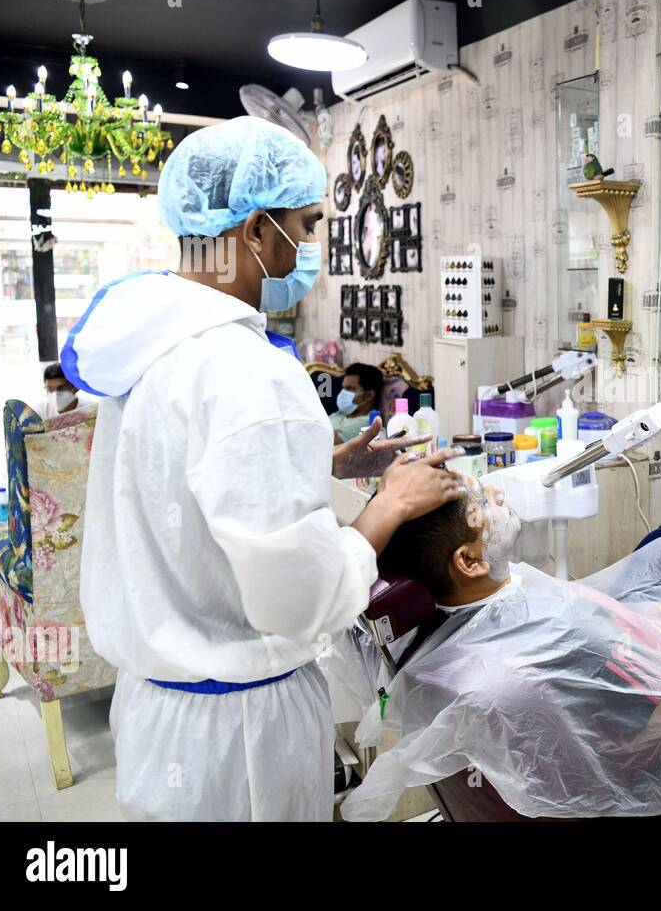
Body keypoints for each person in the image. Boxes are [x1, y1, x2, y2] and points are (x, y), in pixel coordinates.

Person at [61, 116, 469, 821]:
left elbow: (180, 488)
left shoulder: (156, 346)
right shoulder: (247, 370)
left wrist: (312, 462)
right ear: (255, 230)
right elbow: (299, 598)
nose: (308, 246)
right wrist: (389, 506)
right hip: (238, 742)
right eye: (305, 225)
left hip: (161, 714)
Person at [337, 487, 661, 822]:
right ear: (470, 561)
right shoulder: (565, 636)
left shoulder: (424, 639)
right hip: (653, 763)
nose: (498, 495)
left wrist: (647, 631)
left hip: (608, 684)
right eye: (482, 507)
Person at [330, 362, 383, 443]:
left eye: (350, 389)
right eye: (344, 388)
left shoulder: (366, 424)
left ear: (369, 395)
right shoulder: (340, 413)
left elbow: (322, 444)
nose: (343, 393)